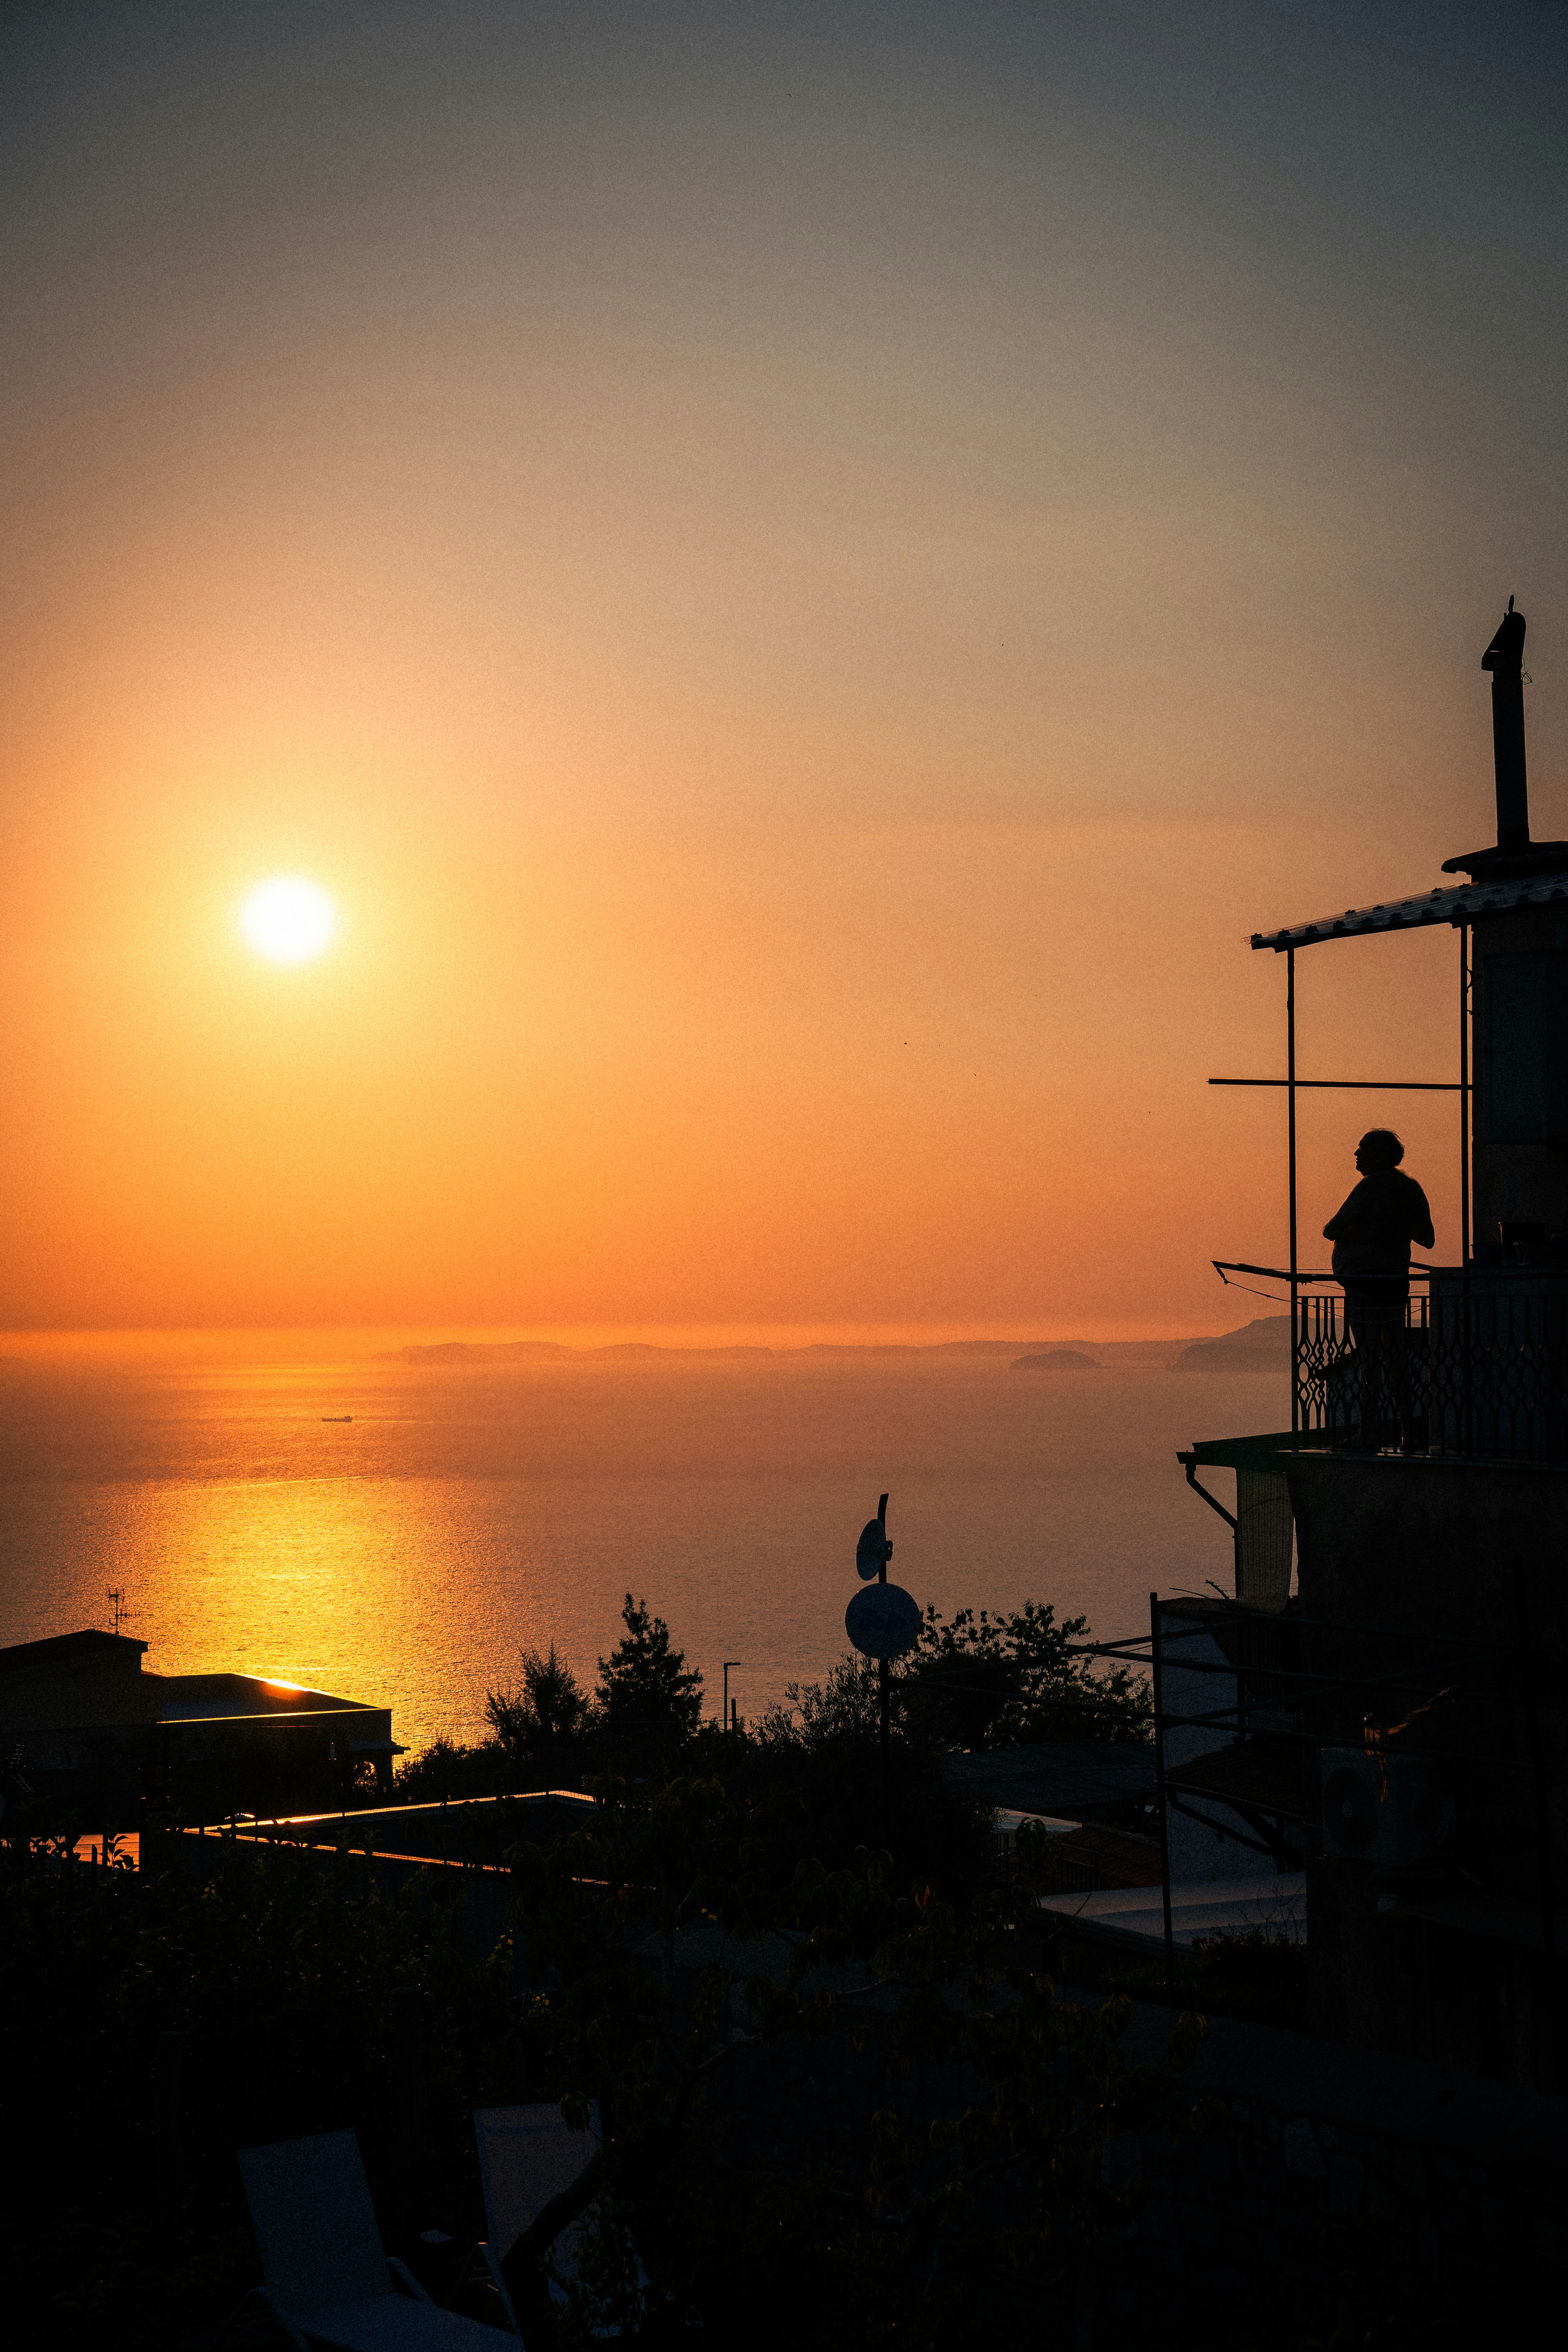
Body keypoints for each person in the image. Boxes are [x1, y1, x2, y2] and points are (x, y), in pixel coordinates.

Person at [1322, 1130, 1434, 1449]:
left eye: (1362, 1150)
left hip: (1364, 1284)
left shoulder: (1370, 1187)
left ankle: (1368, 1433)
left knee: (1369, 1360)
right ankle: (1408, 1435)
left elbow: (1331, 1228)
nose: (1356, 1155)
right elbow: (1427, 1238)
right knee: (1396, 1359)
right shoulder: (1410, 1190)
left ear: (1380, 1155)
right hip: (1394, 1282)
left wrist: (1361, 1229)